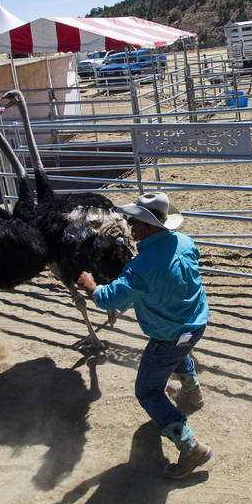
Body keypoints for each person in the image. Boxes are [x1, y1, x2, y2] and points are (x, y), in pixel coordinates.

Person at [77, 192, 213, 479]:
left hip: (167, 334)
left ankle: (190, 447)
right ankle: (191, 390)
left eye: (133, 221)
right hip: (195, 323)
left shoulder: (139, 268)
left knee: (148, 391)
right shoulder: (185, 243)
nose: (130, 226)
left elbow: (108, 299)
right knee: (179, 351)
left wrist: (90, 286)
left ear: (147, 227)